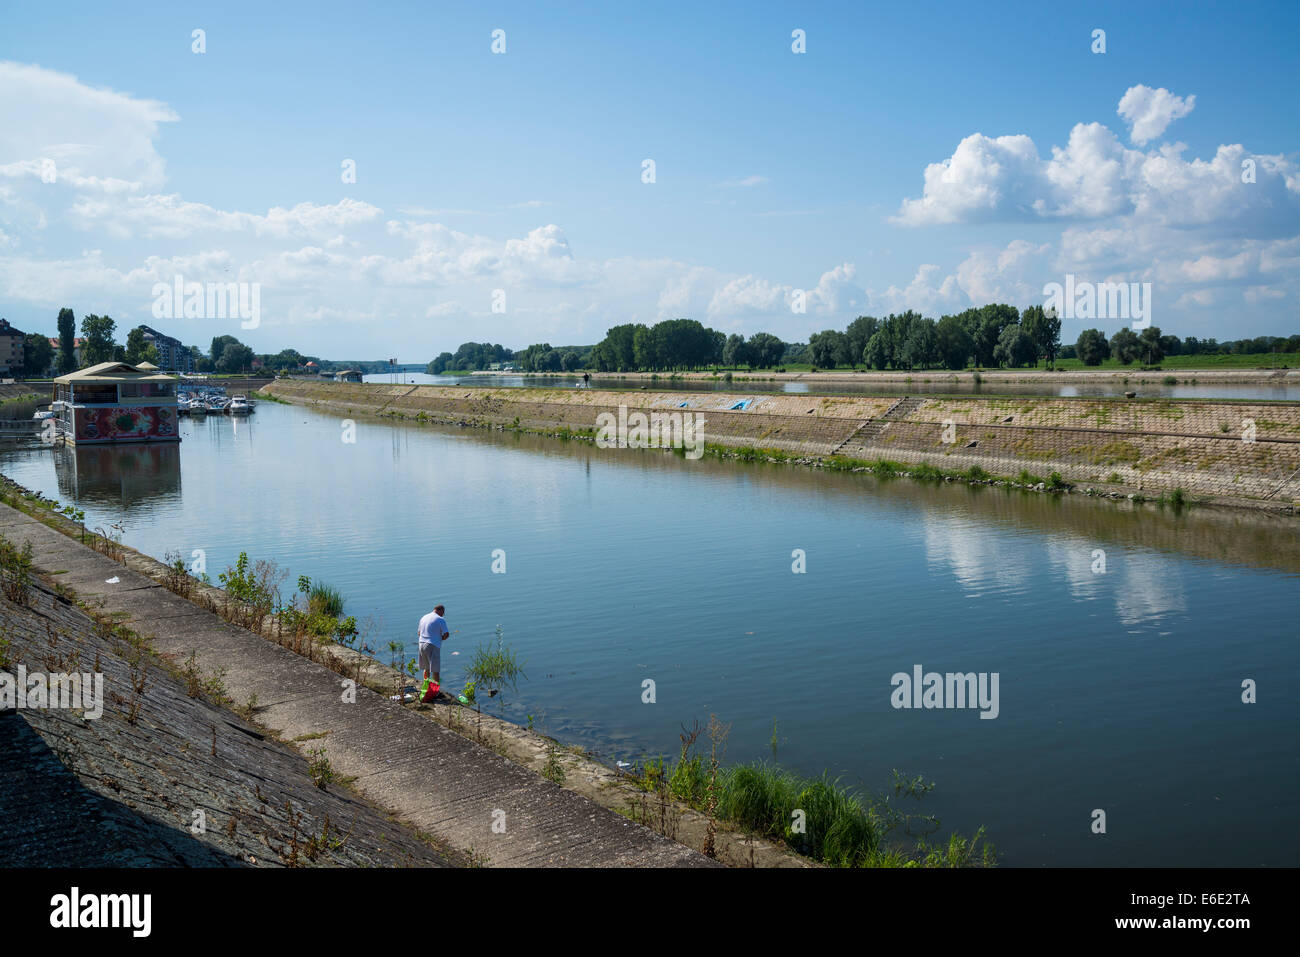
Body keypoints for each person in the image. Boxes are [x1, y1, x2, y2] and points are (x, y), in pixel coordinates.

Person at [417, 604, 450, 684]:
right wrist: (440, 638)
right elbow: (446, 634)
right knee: (435, 670)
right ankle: (436, 691)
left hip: (421, 644)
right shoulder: (440, 619)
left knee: (426, 668)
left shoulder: (424, 617)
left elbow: (419, 633)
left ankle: (426, 686)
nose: (443, 615)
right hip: (432, 645)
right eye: (443, 613)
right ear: (441, 610)